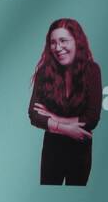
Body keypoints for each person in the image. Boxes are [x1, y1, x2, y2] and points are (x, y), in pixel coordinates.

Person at [28, 19, 102, 187]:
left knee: (73, 200)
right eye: (53, 42)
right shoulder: (44, 72)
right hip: (52, 151)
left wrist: (53, 119)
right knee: (48, 200)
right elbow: (34, 115)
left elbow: (91, 119)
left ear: (77, 42)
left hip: (80, 151)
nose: (58, 47)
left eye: (63, 41)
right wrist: (68, 129)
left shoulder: (92, 71)